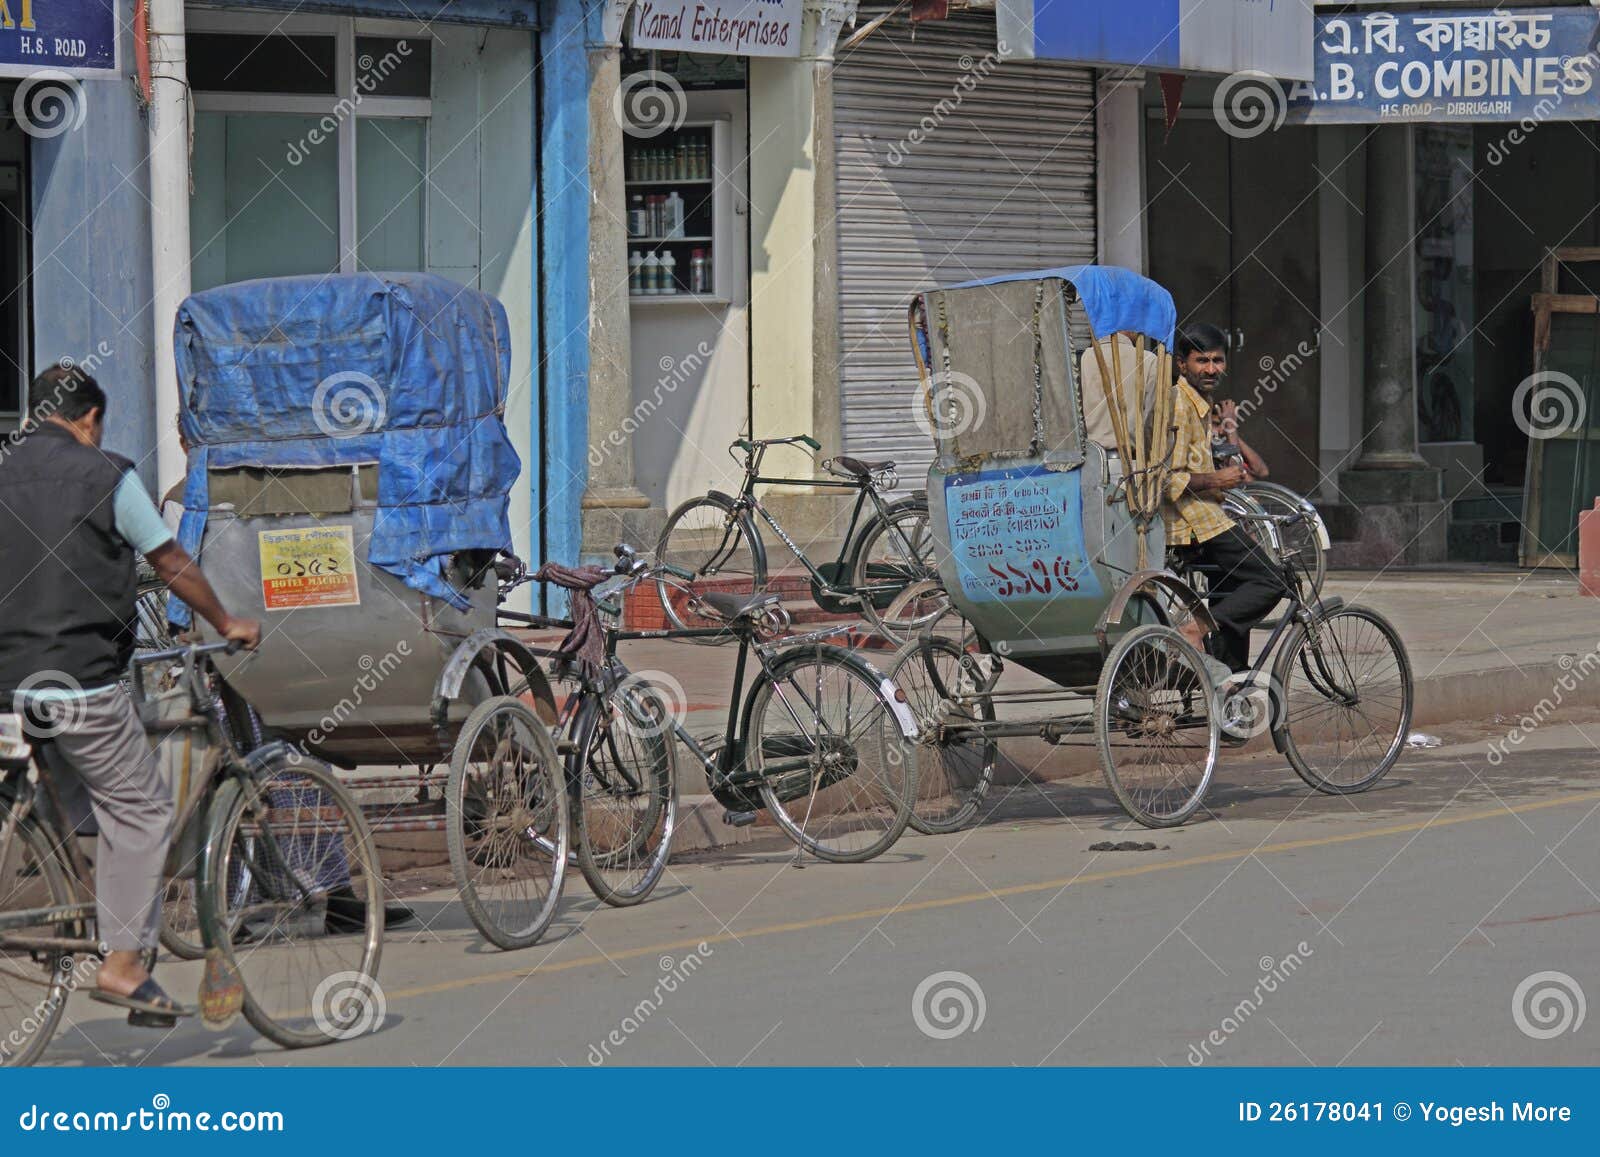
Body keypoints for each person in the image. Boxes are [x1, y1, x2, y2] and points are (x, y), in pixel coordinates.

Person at [0, 364, 260, 1020]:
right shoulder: (107, 473)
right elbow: (170, 561)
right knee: (141, 808)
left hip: (7, 682)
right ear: (90, 419)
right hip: (77, 678)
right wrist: (226, 621)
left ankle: (108, 924)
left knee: (78, 800)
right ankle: (121, 963)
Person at [1163, 324, 1286, 676]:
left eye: (1218, 360)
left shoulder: (1202, 404)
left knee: (1232, 595)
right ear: (1182, 364)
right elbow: (1165, 478)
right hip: (1192, 524)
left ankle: (1225, 681)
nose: (1212, 368)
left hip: (1208, 516)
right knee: (1272, 582)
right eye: (1202, 360)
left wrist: (1221, 472)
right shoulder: (1177, 404)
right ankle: (1192, 632)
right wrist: (1216, 478)